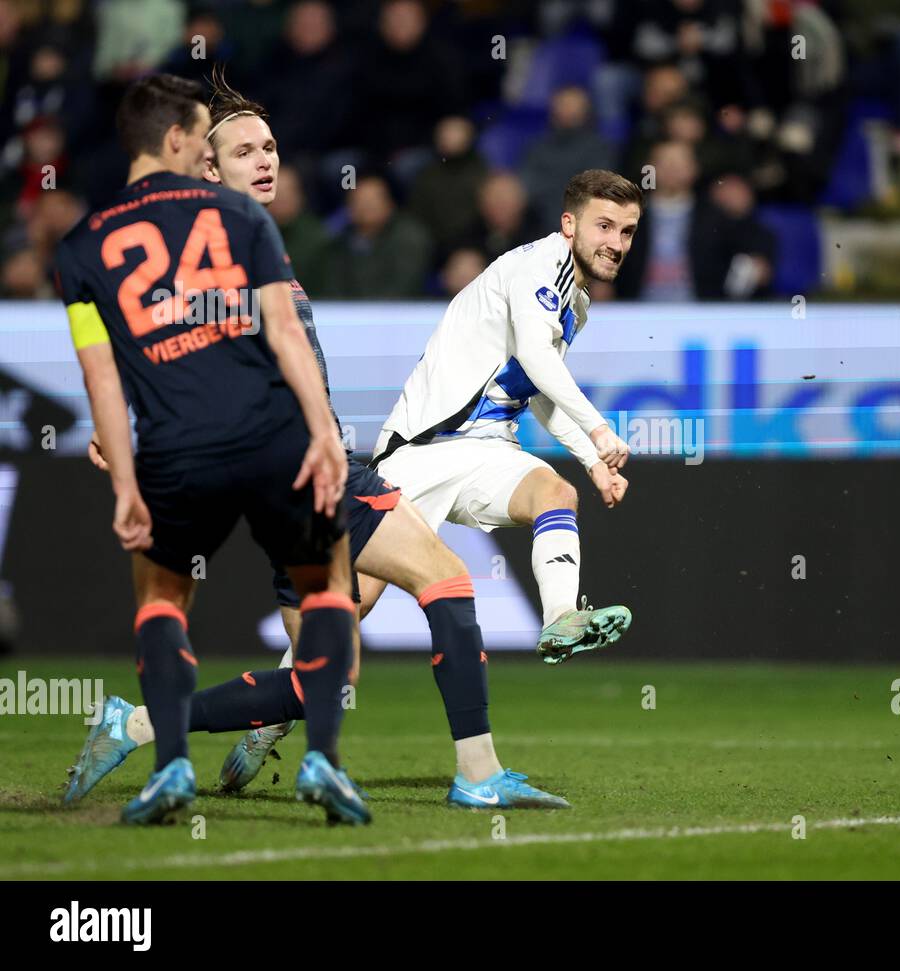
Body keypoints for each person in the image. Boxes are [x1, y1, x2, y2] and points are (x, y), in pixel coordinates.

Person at [64, 71, 569, 811]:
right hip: (308, 468)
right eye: (245, 152)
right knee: (448, 581)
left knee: (322, 677)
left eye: (270, 147)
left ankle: (136, 722)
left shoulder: (239, 239)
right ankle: (479, 773)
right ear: (207, 166)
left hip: (295, 475)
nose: (266, 160)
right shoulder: (225, 249)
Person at [53, 74, 364, 825]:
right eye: (203, 136)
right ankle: (322, 756)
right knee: (328, 591)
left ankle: (167, 768)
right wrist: (324, 431)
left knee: (162, 600)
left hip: (175, 448)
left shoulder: (81, 247)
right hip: (269, 439)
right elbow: (282, 333)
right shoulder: (237, 220)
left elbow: (103, 370)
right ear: (178, 143)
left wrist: (122, 468)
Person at [370, 168, 640, 663]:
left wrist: (591, 461)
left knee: (556, 492)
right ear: (569, 225)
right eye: (604, 226)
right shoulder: (538, 269)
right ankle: (266, 725)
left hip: (489, 450)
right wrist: (599, 430)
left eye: (627, 231)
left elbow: (535, 386)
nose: (616, 243)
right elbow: (539, 360)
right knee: (347, 606)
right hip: (420, 450)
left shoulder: (575, 303)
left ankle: (560, 619)